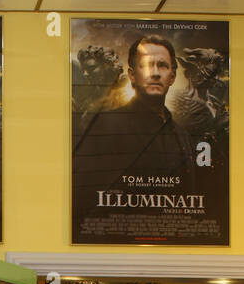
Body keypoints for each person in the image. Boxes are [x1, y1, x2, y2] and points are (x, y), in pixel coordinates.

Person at [72, 35, 199, 209]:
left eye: (162, 65)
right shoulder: (103, 125)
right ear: (132, 75)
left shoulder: (183, 136)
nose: (154, 73)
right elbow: (85, 196)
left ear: (172, 76)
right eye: (146, 65)